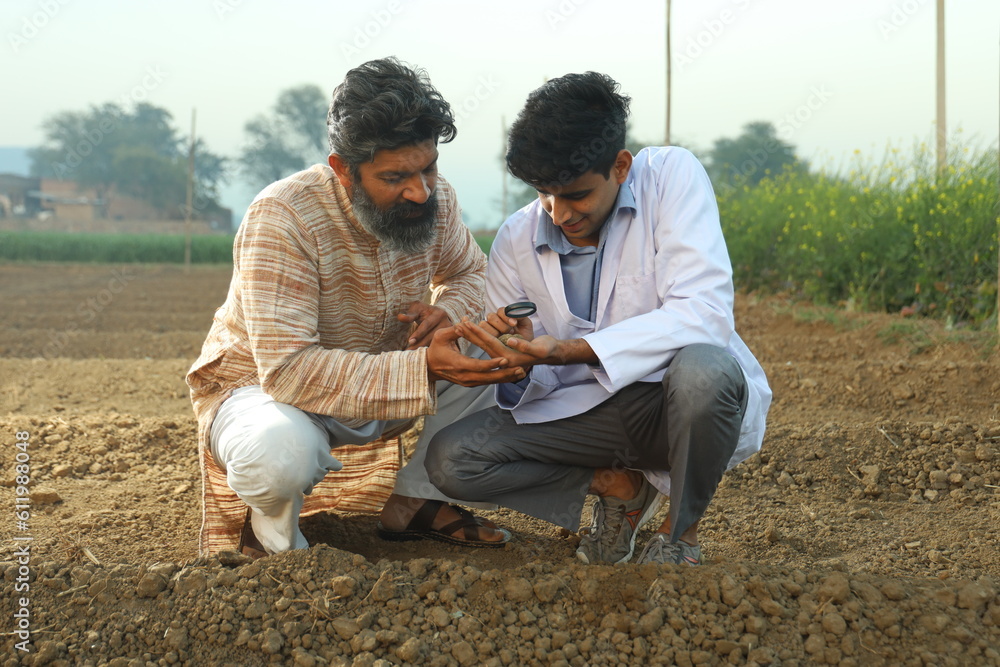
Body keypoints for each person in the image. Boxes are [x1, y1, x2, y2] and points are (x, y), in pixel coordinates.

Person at [425, 71, 772, 566]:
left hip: (675, 406)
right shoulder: (515, 239)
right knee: (453, 459)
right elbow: (535, 380)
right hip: (590, 415)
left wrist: (568, 351)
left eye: (576, 194)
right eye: (545, 193)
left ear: (622, 166)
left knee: (705, 373)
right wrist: (518, 362)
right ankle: (620, 487)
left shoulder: (670, 177)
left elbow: (704, 313)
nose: (559, 212)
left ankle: (679, 538)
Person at [186, 57, 521, 558]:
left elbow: (471, 274)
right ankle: (272, 539)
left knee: (501, 347)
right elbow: (289, 372)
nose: (420, 190)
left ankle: (418, 501)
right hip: (268, 396)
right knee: (281, 455)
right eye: (395, 177)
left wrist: (448, 312)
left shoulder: (437, 199)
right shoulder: (283, 217)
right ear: (343, 170)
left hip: (382, 384)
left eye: (428, 167)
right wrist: (421, 366)